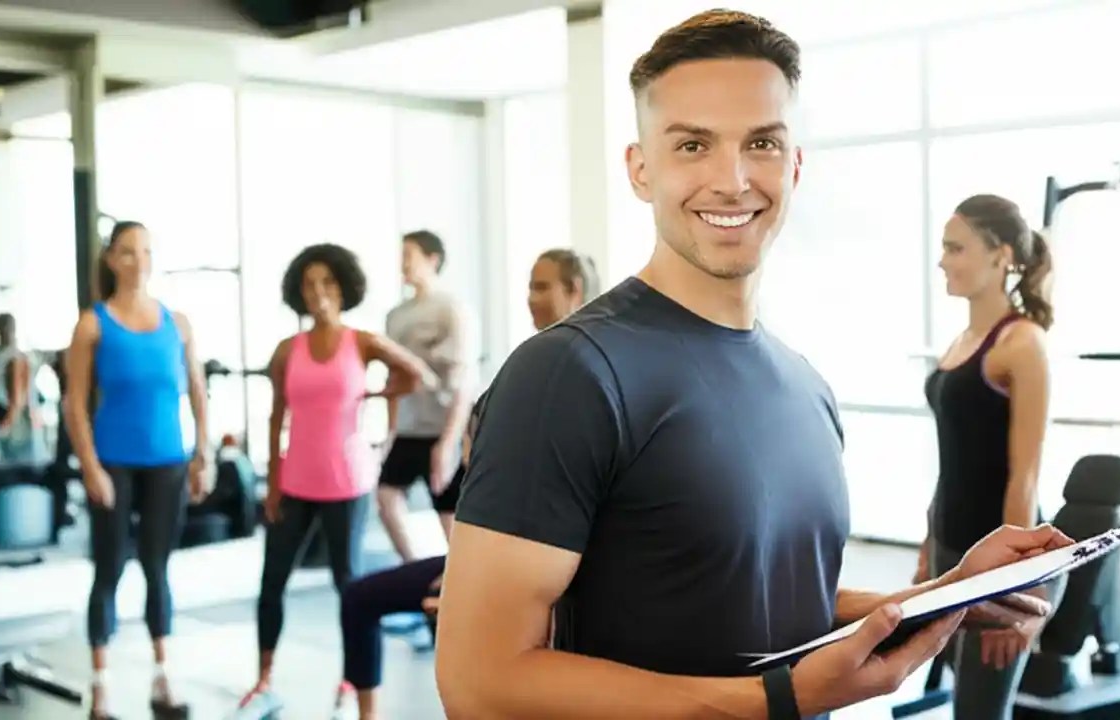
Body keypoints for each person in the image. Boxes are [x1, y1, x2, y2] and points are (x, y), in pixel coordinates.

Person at [434, 10, 1073, 720]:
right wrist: (777, 700)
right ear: (641, 170)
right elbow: (478, 681)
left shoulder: (805, 388)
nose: (732, 180)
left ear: (794, 165)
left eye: (761, 143)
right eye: (693, 145)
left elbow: (767, 600)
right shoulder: (567, 375)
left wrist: (942, 598)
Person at [334, 248, 599, 720]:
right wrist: (465, 571)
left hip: (540, 572)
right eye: (529, 286)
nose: (529, 298)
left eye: (542, 287)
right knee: (360, 597)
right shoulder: (527, 369)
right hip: (488, 560)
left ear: (574, 291)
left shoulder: (585, 375)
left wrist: (477, 585)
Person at [237, 243, 437, 714]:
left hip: (346, 482)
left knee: (349, 588)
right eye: (309, 284)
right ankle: (263, 679)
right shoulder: (287, 350)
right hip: (295, 481)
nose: (318, 291)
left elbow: (418, 375)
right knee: (272, 582)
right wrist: (273, 483)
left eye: (327, 282)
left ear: (344, 288)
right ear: (299, 293)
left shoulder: (362, 342)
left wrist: (381, 394)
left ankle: (353, 681)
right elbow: (276, 418)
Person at [916, 194, 1057, 719]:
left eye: (956, 249)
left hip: (1003, 562)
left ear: (1001, 256)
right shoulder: (962, 340)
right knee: (964, 701)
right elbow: (954, 459)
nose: (942, 261)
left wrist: (1014, 592)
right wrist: (930, 545)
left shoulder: (1022, 343)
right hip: (955, 549)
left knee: (979, 712)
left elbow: (1024, 479)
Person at [63, 221, 210, 720]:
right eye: (127, 251)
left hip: (168, 460)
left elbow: (197, 390)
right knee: (109, 567)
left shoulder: (178, 323)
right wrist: (90, 467)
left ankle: (163, 676)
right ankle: (100, 686)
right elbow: (74, 404)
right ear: (111, 259)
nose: (138, 260)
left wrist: (204, 454)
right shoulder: (92, 324)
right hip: (113, 463)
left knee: (157, 566)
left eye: (146, 250)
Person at [378, 230, 473, 557]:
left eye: (409, 255)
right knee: (386, 498)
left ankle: (457, 579)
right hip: (409, 427)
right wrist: (390, 431)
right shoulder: (395, 316)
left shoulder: (452, 309)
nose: (403, 264)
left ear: (432, 260)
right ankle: (414, 567)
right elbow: (394, 377)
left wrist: (448, 442)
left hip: (443, 427)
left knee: (449, 514)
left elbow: (463, 380)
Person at [0, 312, 46, 462]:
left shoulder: (14, 357)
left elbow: (18, 397)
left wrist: (7, 424)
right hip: (3, 418)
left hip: (15, 424)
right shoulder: (0, 355)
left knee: (18, 462)